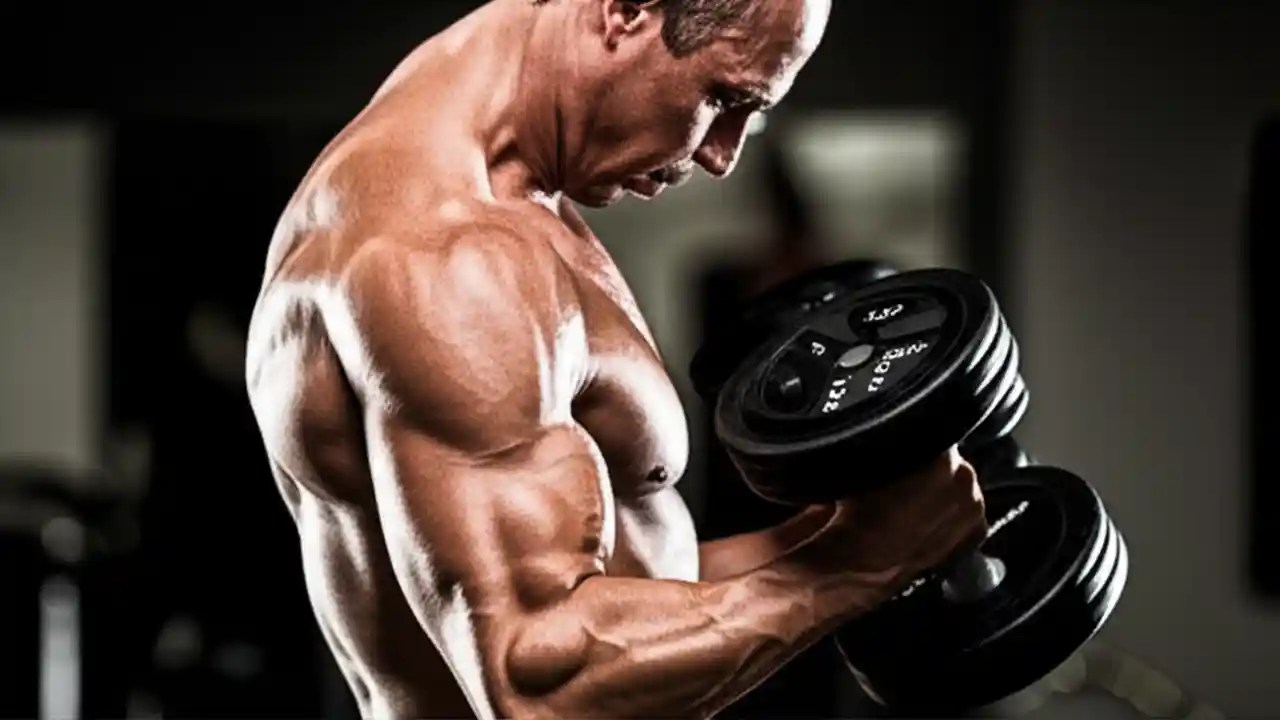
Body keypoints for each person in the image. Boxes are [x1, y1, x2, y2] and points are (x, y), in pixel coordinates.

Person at [244, 1, 987, 717]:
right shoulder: (446, 260)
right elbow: (538, 683)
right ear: (625, 10)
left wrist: (850, 536)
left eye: (750, 120)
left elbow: (625, 579)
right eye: (723, 98)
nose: (723, 156)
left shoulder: (524, 204)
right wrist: (856, 570)